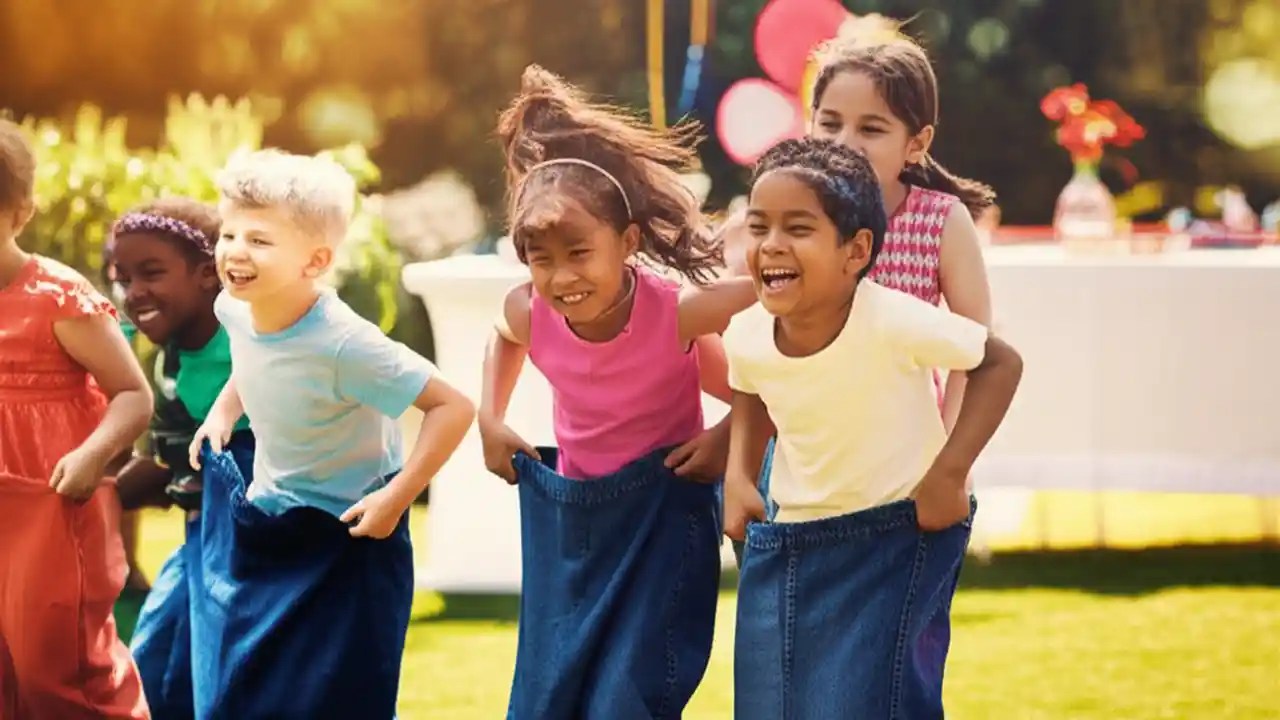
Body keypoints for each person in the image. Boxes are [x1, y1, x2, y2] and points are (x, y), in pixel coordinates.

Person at [481, 65, 754, 719]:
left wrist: (725, 437)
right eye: (541, 259)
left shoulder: (678, 314)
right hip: (581, 518)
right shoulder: (530, 313)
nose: (562, 277)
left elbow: (761, 366)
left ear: (628, 242)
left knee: (630, 693)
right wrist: (489, 419)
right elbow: (503, 338)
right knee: (558, 694)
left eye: (579, 252)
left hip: (667, 513)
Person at [722, 137, 1022, 719]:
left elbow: (999, 363)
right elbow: (751, 388)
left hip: (899, 533)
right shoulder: (749, 331)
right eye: (759, 228)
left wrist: (949, 475)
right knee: (771, 705)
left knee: (868, 704)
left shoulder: (892, 318)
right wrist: (739, 475)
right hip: (794, 540)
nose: (771, 246)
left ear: (856, 250)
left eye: (798, 229)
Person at [185, 149, 475, 719]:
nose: (234, 252)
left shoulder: (345, 344)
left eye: (260, 241)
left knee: (338, 699)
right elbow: (252, 359)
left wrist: (397, 498)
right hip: (272, 525)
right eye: (229, 234)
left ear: (314, 261)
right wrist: (222, 415)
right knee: (251, 693)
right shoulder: (238, 307)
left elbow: (453, 406)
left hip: (353, 538)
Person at [728, 16, 998, 563]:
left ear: (916, 143)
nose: (846, 143)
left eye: (871, 128)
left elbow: (977, 352)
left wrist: (950, 466)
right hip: (807, 469)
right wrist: (733, 457)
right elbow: (753, 346)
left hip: (902, 471)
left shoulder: (939, 221)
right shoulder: (786, 220)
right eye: (829, 124)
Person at [0, 117, 153, 719]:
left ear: (21, 214)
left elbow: (132, 394)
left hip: (51, 506)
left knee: (56, 665)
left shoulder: (57, 299)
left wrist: (93, 455)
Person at [109, 197, 246, 719]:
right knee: (153, 667)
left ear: (208, 274)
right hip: (199, 541)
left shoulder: (243, 347)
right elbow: (169, 459)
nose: (133, 292)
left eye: (152, 273)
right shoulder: (167, 351)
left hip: (250, 552)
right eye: (123, 278)